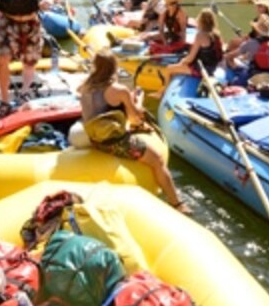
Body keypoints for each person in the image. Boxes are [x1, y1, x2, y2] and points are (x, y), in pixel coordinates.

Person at [78, 49, 188, 213]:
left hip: (94, 138)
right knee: (157, 160)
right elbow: (135, 118)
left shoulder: (85, 85)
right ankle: (177, 204)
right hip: (113, 142)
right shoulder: (119, 90)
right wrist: (137, 101)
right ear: (113, 68)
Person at [168, 9, 224, 79]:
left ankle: (164, 89)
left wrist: (183, 61)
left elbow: (190, 58)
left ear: (201, 21)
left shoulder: (200, 36)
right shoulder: (216, 34)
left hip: (203, 70)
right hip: (213, 66)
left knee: (169, 68)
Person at [223, 18, 269, 86]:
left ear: (257, 30)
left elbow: (232, 55)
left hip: (254, 75)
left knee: (234, 79)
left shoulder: (251, 43)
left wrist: (225, 55)